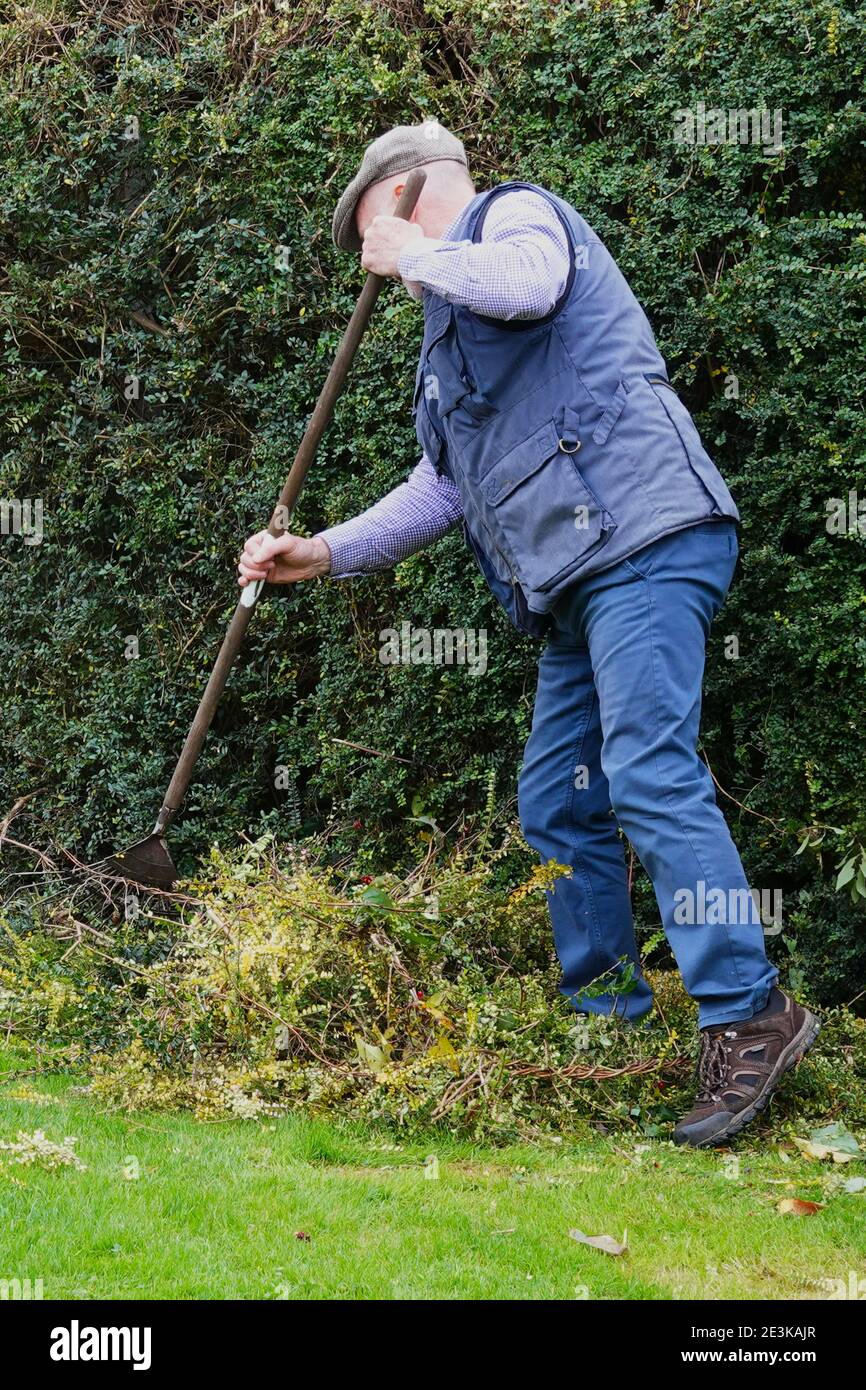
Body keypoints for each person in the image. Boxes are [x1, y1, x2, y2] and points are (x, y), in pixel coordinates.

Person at [237, 122, 819, 1147]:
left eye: (368, 232)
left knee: (645, 771)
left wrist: (416, 251)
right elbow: (440, 489)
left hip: (644, 537)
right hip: (572, 583)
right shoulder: (442, 350)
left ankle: (746, 1011)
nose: (372, 268)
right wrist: (318, 552)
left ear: (408, 195)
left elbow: (530, 281)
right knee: (558, 798)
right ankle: (606, 1031)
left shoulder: (514, 218)